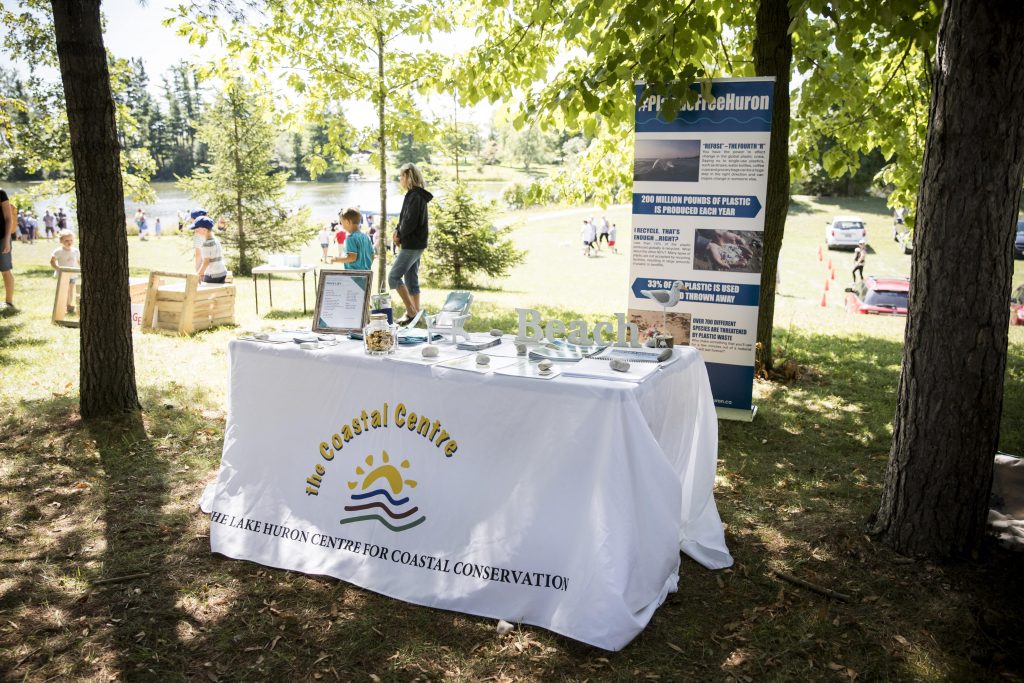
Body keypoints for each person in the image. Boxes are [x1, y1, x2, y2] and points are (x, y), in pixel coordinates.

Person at [389, 162, 433, 325]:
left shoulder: (415, 196)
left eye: (401, 176)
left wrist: (398, 234)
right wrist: (396, 230)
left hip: (412, 244)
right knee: (411, 278)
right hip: (415, 243)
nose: (400, 179)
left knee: (393, 276)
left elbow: (410, 222)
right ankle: (414, 315)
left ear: (408, 177)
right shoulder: (414, 195)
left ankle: (411, 311)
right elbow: (404, 219)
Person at [50, 229, 81, 313]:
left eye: (71, 240)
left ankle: (69, 305)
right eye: (66, 240)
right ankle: (61, 306)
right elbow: (52, 261)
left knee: (71, 290)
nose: (69, 242)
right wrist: (57, 268)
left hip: (72, 275)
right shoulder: (58, 251)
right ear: (61, 241)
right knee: (63, 290)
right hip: (62, 274)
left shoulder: (75, 251)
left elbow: (79, 261)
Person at [191, 216, 228, 283]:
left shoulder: (206, 244)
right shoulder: (215, 240)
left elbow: (206, 262)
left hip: (212, 275)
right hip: (222, 273)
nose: (195, 231)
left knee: (205, 292)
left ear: (205, 230)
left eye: (197, 230)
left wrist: (198, 274)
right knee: (219, 292)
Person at [1, 188, 15, 309]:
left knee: (5, 271)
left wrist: (6, 240)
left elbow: (9, 219)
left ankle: (9, 302)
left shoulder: (1, 193)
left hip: (2, 238)